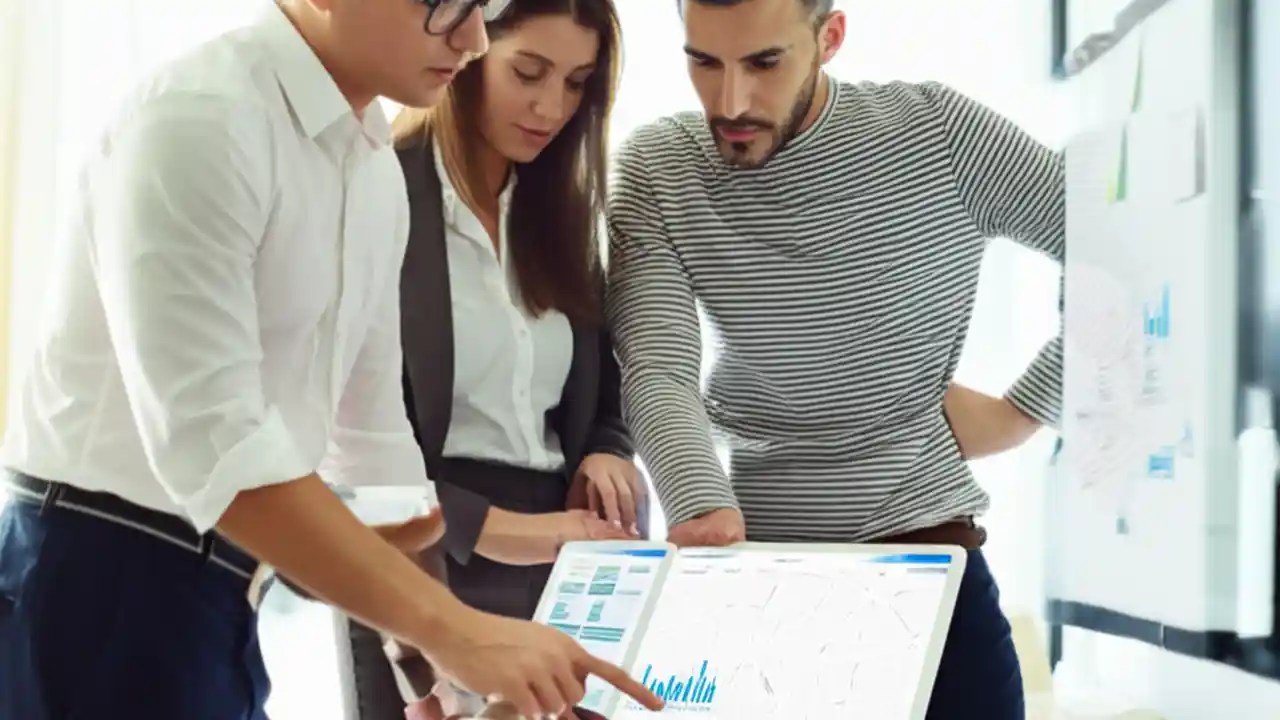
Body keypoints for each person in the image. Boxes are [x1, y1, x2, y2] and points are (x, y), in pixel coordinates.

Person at [0, 1, 662, 719]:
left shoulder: (368, 166)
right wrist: (458, 631)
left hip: (221, 589)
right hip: (98, 577)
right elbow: (216, 448)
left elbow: (374, 451)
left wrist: (434, 672)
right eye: (445, 7)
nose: (472, 42)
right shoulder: (200, 119)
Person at [606, 0, 1063, 717]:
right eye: (704, 62)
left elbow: (1122, 254)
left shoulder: (938, 134)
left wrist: (1023, 412)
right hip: (761, 574)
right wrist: (698, 504)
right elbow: (658, 366)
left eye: (764, 63)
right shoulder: (658, 167)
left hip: (930, 567)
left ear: (830, 37)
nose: (730, 101)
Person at [346, 1, 646, 716]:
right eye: (529, 72)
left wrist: (608, 448)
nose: (552, 106)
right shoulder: (376, 188)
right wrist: (506, 532)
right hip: (420, 556)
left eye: (577, 83)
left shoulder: (561, 210)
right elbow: (348, 451)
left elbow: (599, 387)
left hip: (565, 563)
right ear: (470, 50)